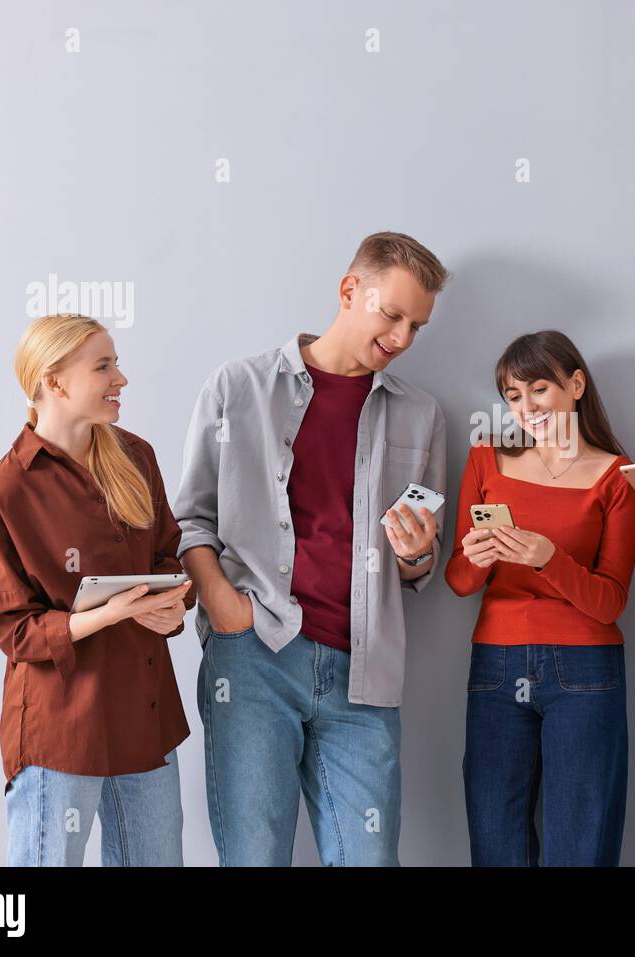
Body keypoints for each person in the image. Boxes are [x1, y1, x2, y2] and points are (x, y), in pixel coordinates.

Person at [174, 231, 449, 866]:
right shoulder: (237, 387)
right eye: (393, 315)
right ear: (350, 290)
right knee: (254, 857)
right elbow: (190, 519)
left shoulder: (422, 415)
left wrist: (415, 555)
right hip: (254, 658)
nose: (403, 338)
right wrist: (222, 607)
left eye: (418, 326)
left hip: (365, 669)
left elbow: (420, 565)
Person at [0, 313, 195, 866]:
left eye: (115, 363)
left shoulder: (136, 456)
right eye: (104, 366)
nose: (121, 379)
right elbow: (15, 630)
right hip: (61, 730)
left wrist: (173, 607)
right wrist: (106, 614)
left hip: (146, 721)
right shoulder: (3, 492)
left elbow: (168, 554)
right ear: (54, 380)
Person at [445, 331, 635, 866]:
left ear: (575, 385)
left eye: (539, 389)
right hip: (496, 662)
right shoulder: (486, 459)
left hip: (586, 668)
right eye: (513, 395)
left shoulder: (618, 476)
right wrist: (480, 556)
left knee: (580, 844)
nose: (526, 407)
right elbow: (460, 580)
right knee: (495, 841)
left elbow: (610, 602)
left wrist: (548, 558)